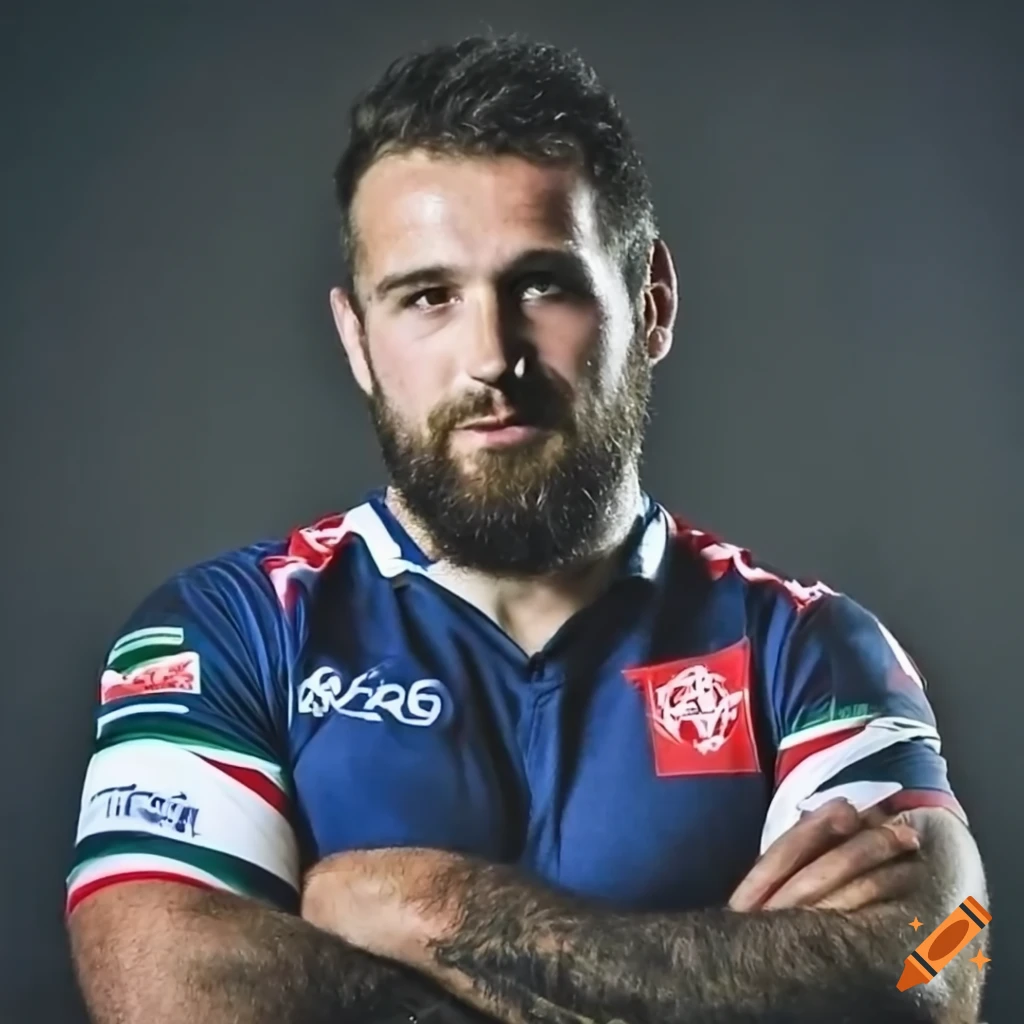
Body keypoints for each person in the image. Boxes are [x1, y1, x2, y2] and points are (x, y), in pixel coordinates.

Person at [66, 34, 988, 1024]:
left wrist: (432, 909)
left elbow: (943, 960)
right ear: (357, 340)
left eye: (543, 283)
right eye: (428, 296)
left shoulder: (808, 648)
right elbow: (165, 995)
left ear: (650, 301)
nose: (490, 356)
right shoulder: (231, 632)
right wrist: (733, 980)